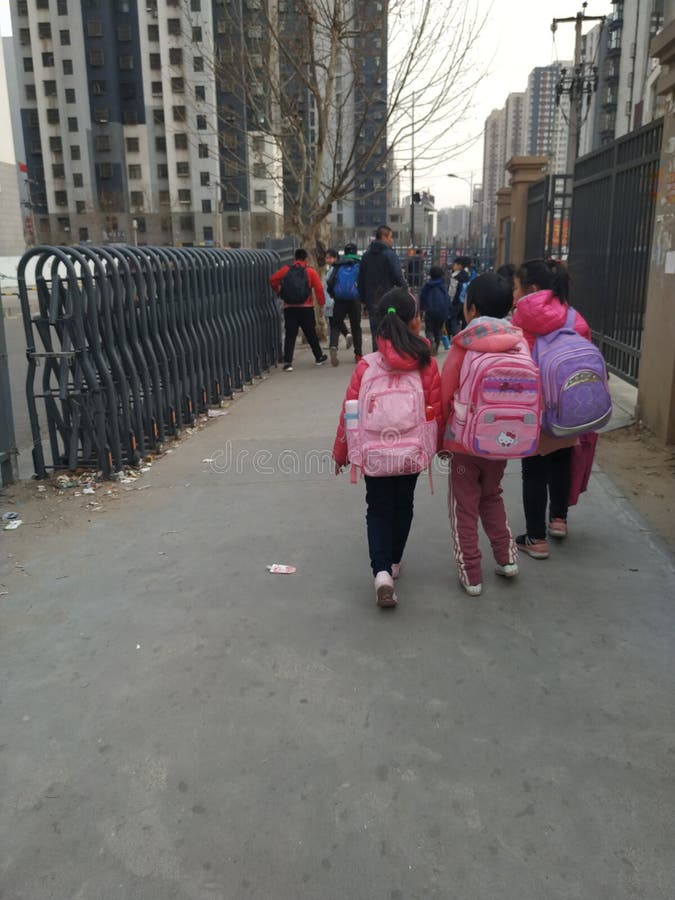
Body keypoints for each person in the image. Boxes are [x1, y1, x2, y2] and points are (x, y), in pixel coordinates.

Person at [333, 288, 442, 608]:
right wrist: (440, 447)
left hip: (374, 454)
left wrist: (341, 453)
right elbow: (435, 411)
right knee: (403, 505)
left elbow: (349, 412)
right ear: (415, 321)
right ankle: (394, 561)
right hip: (411, 453)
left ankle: (381, 573)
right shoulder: (426, 363)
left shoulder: (366, 366)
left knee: (377, 509)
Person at [440, 272, 521, 596]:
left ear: (470, 308)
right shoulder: (518, 342)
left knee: (464, 506)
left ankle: (471, 573)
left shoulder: (463, 345)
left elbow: (446, 393)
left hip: (465, 443)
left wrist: (441, 442)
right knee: (492, 494)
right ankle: (507, 558)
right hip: (503, 441)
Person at [511, 258, 592, 558]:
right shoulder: (575, 318)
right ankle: (558, 519)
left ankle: (535, 538)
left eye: (517, 288)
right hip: (568, 405)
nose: (514, 294)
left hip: (533, 407)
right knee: (562, 460)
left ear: (531, 289)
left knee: (533, 471)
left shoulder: (520, 320)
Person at [270, 249, 328, 371]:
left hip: (289, 308)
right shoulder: (310, 271)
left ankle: (288, 362)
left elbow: (273, 280)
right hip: (306, 308)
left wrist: (279, 291)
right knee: (311, 333)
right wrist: (322, 305)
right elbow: (318, 289)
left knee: (290, 335)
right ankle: (318, 357)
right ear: (306, 259)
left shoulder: (286, 270)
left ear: (295, 258)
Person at [357, 225, 405, 352]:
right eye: (391, 237)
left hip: (371, 300)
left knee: (376, 332)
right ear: (384, 237)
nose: (392, 240)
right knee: (390, 330)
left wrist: (363, 299)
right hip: (388, 299)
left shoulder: (366, 255)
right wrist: (405, 289)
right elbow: (397, 275)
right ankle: (389, 357)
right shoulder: (389, 254)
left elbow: (360, 278)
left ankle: (377, 358)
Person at [327, 242, 361, 366]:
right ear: (356, 252)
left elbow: (330, 281)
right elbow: (362, 281)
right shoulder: (359, 264)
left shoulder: (338, 264)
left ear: (345, 252)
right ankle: (358, 354)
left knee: (336, 324)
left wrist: (333, 294)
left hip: (340, 299)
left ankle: (334, 346)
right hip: (354, 299)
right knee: (356, 326)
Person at [323, 248, 351, 353]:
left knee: (333, 322)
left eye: (329, 258)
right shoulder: (338, 268)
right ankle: (347, 335)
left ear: (335, 258)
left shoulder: (333, 270)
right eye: (326, 258)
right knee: (336, 320)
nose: (327, 260)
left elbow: (329, 286)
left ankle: (333, 344)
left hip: (332, 300)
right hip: (336, 299)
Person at [419, 265, 451, 355]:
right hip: (442, 312)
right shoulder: (443, 285)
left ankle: (430, 341)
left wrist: (422, 308)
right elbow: (447, 298)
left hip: (430, 311)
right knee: (438, 329)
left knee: (429, 329)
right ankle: (436, 348)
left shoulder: (428, 285)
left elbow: (422, 297)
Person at [447, 256, 470, 336]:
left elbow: (452, 291)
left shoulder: (455, 276)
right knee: (464, 320)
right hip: (465, 301)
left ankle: (455, 336)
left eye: (455, 264)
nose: (453, 266)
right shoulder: (468, 276)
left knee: (453, 319)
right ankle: (464, 336)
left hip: (456, 302)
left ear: (460, 265)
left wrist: (449, 301)